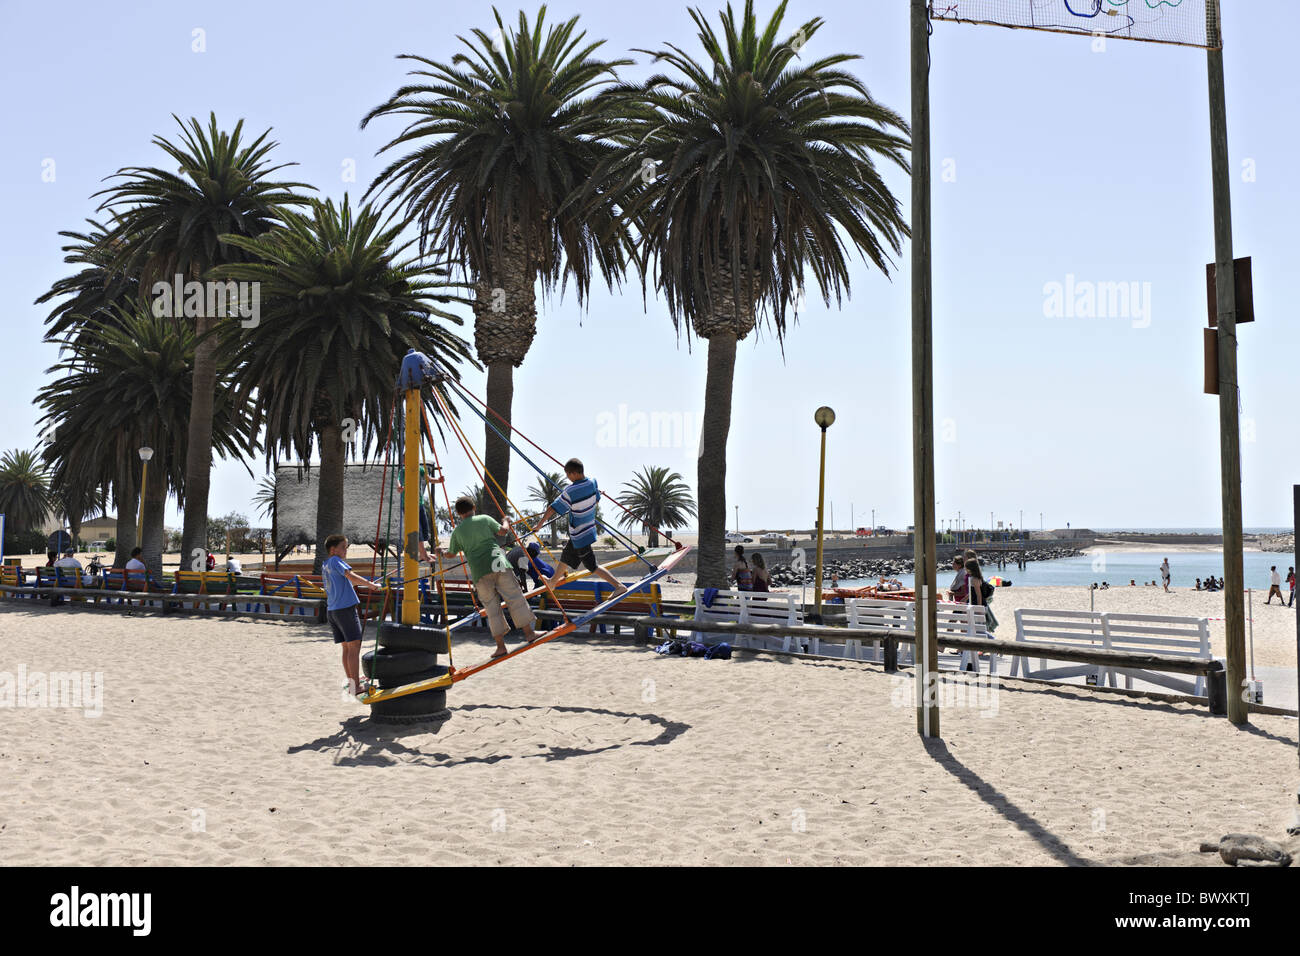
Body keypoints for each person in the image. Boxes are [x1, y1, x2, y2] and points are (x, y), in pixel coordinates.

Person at [444, 495, 540, 658]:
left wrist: (441, 552)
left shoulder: (457, 532)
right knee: (515, 598)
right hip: (498, 563)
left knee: (491, 608)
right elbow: (503, 531)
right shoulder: (484, 519)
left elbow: (451, 554)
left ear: (459, 514)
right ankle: (529, 633)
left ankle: (500, 646)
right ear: (474, 508)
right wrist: (506, 521)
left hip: (479, 571)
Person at [533, 458, 626, 597]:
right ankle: (552, 582)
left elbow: (552, 508)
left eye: (568, 474)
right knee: (566, 557)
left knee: (591, 566)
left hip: (580, 534)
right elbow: (597, 498)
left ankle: (618, 586)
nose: (567, 478)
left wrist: (539, 525)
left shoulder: (570, 490)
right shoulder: (592, 483)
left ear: (574, 473)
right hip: (586, 530)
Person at [321, 534, 383, 697]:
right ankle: (355, 686)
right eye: (343, 547)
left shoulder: (326, 564)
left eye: (346, 547)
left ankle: (352, 682)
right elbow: (350, 576)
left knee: (347, 648)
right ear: (333, 550)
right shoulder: (335, 560)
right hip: (344, 610)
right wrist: (370, 585)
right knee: (354, 647)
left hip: (333, 610)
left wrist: (368, 585)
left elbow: (348, 580)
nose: (345, 550)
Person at [965, 558, 997, 632]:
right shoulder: (975, 578)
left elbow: (979, 595)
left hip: (979, 606)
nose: (965, 569)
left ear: (970, 569)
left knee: (979, 630)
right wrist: (964, 599)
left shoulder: (974, 579)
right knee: (978, 629)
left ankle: (991, 640)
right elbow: (972, 592)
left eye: (966, 568)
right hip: (977, 605)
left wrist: (979, 609)